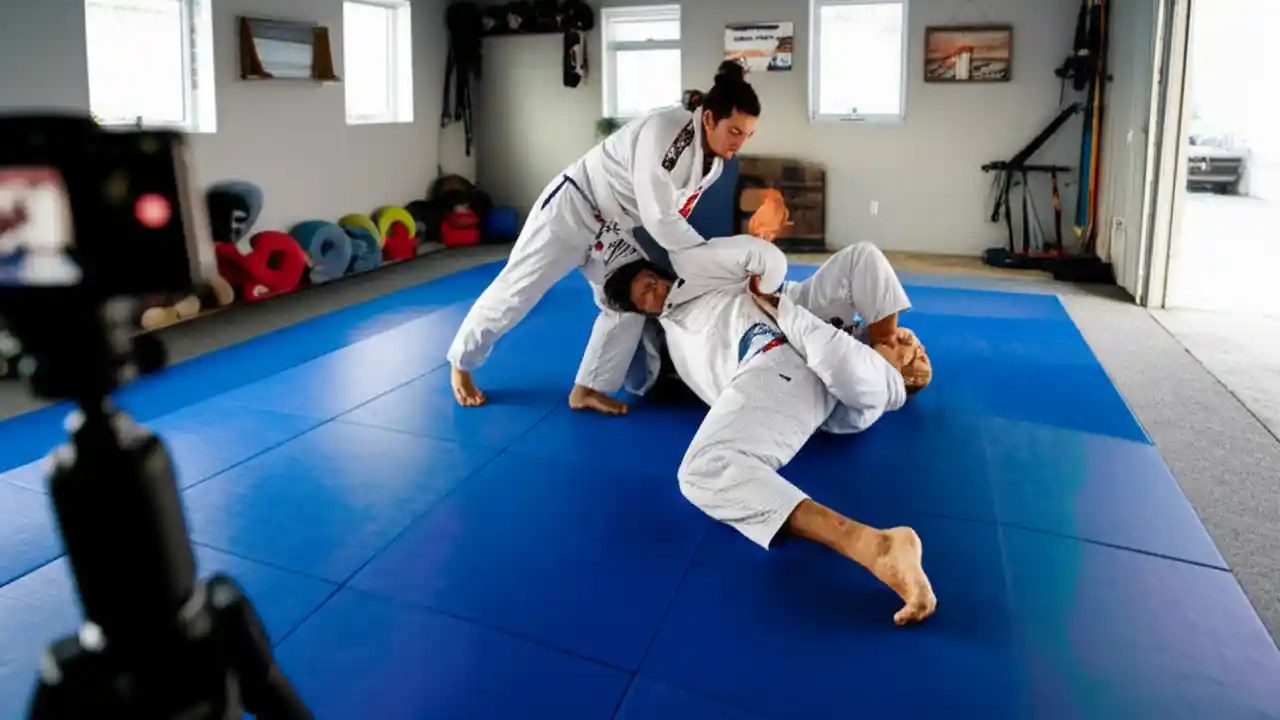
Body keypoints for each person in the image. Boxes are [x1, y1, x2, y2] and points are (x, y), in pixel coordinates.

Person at [603, 236, 937, 625]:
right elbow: (645, 369)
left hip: (796, 316)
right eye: (643, 293)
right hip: (771, 361)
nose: (654, 288)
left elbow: (758, 263)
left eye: (650, 279)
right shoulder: (672, 336)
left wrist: (762, 255)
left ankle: (883, 347)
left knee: (863, 256)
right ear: (638, 309)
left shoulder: (703, 276)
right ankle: (872, 544)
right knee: (702, 469)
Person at [446, 60, 762, 414]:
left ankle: (589, 388)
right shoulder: (667, 133)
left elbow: (675, 216)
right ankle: (461, 361)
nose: (740, 143)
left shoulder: (713, 163)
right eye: (735, 131)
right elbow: (660, 220)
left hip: (610, 229)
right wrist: (712, 261)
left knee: (630, 299)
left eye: (748, 135)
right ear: (708, 119)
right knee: (517, 292)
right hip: (571, 208)